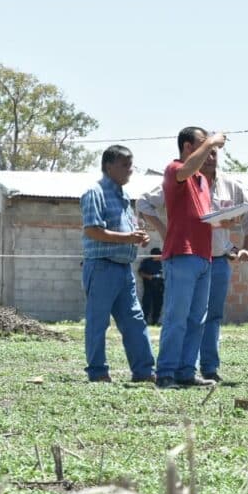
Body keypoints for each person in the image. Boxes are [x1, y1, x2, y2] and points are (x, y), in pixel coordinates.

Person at [153, 126, 227, 389]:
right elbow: (186, 170)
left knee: (197, 319)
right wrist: (213, 141)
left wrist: (223, 221)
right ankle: (165, 373)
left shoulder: (203, 181)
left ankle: (186, 371)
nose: (210, 150)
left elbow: (199, 216)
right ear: (187, 146)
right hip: (182, 254)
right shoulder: (175, 169)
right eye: (203, 143)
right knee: (177, 317)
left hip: (204, 255)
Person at [79, 145, 156, 383]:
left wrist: (138, 237)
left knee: (134, 320)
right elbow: (93, 230)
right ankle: (98, 372)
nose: (130, 170)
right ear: (108, 166)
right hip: (101, 266)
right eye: (125, 165)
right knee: (98, 322)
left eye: (131, 165)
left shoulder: (123, 196)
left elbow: (126, 231)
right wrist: (128, 238)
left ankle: (144, 372)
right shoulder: (95, 192)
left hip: (124, 268)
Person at [198, 150, 248, 382]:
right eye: (205, 153)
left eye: (213, 153)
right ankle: (185, 367)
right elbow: (145, 203)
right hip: (190, 261)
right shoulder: (186, 183)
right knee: (191, 316)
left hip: (219, 261)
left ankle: (209, 367)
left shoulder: (230, 186)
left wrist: (246, 248)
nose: (210, 158)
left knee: (213, 316)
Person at [137, 247, 164, 325]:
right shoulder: (146, 262)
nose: (160, 256)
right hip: (149, 286)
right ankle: (144, 321)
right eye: (158, 255)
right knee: (147, 304)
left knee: (158, 304)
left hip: (159, 287)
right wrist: (149, 276)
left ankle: (155, 322)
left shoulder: (162, 262)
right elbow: (140, 272)